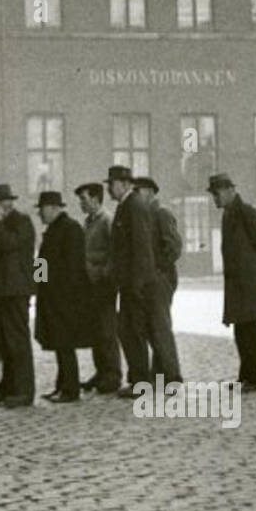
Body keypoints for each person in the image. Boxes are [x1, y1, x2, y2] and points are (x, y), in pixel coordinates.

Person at [208, 173, 256, 391]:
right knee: (241, 332)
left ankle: (253, 380)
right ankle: (244, 377)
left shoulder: (246, 212)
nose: (214, 199)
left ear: (229, 190)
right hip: (238, 285)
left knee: (250, 333)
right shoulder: (228, 215)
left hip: (251, 284)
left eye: (216, 194)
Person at [34, 191, 94, 403]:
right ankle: (62, 386)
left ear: (53, 208)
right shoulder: (53, 230)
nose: (40, 214)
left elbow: (73, 268)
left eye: (41, 209)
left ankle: (70, 389)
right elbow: (41, 262)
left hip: (64, 298)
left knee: (65, 344)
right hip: (52, 296)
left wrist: (48, 285)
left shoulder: (70, 229)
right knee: (59, 343)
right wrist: (38, 284)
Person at [0, 184, 37, 408]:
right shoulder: (4, 223)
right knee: (6, 342)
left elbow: (8, 245)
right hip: (3, 290)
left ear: (4, 205)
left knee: (18, 341)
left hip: (16, 291)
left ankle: (24, 391)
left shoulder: (21, 221)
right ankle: (7, 388)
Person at [106, 166, 156, 395]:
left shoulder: (133, 206)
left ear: (125, 184)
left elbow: (141, 247)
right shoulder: (126, 206)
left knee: (134, 332)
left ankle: (141, 383)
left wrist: (137, 284)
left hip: (134, 284)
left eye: (112, 183)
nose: (109, 188)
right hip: (128, 283)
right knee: (127, 330)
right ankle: (137, 380)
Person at [133, 176, 183, 384]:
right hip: (151, 279)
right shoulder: (146, 214)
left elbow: (174, 246)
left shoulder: (161, 213)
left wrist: (157, 269)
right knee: (153, 327)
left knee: (160, 328)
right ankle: (159, 374)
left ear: (150, 192)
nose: (136, 195)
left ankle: (172, 376)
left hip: (160, 279)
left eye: (139, 191)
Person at [76, 182, 122, 395]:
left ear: (95, 199)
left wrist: (103, 273)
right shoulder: (89, 222)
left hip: (103, 285)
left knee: (107, 330)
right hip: (90, 285)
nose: (81, 204)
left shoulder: (107, 220)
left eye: (84, 199)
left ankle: (112, 375)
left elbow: (115, 251)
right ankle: (101, 372)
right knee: (96, 330)